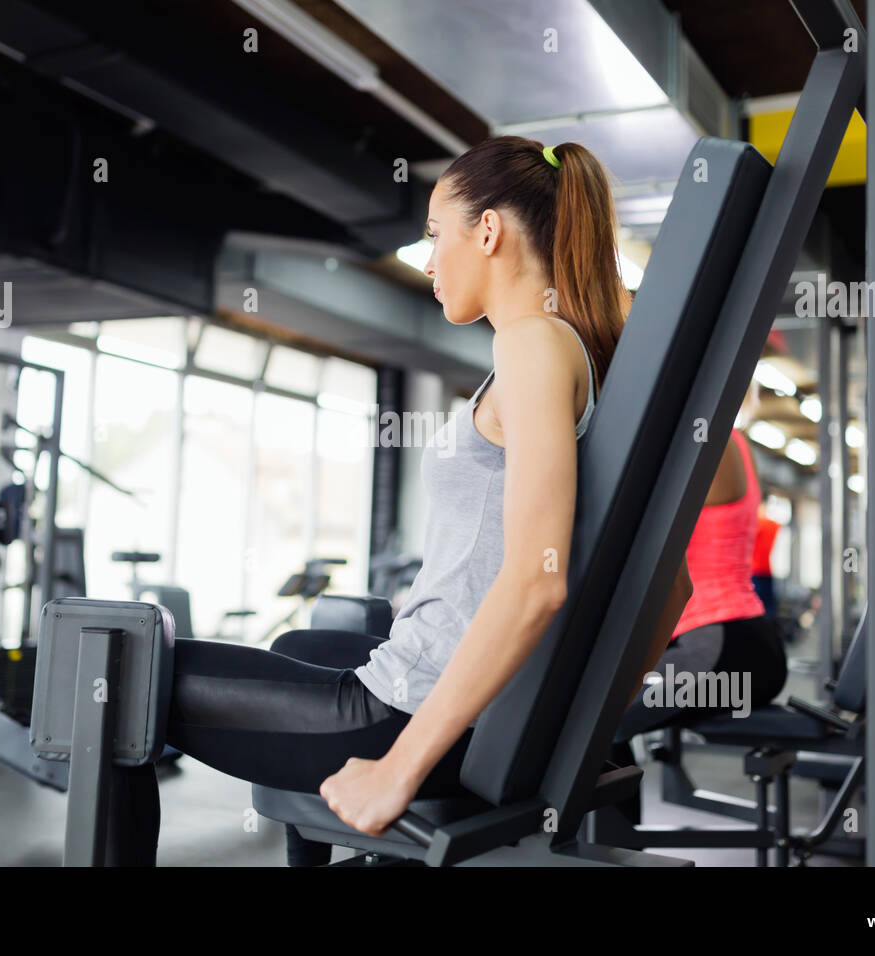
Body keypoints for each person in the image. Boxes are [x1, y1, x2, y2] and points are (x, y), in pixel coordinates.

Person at [102, 136, 694, 866]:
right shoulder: (587, 353)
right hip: (466, 695)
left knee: (118, 664)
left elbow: (537, 581)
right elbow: (675, 586)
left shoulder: (532, 344)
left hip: (409, 710)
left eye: (435, 235)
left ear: (488, 231)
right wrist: (575, 727)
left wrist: (399, 769)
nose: (428, 258)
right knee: (300, 646)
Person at [608, 426, 789, 820]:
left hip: (721, 646)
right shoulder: (729, 437)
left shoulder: (712, 439)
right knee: (594, 716)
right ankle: (607, 846)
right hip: (738, 643)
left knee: (597, 719)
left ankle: (612, 853)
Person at [752, 504, 782, 618]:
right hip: (766, 571)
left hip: (754, 571)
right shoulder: (773, 524)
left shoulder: (758, 523)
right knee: (768, 609)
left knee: (756, 609)